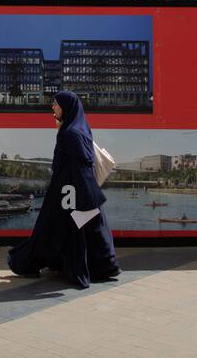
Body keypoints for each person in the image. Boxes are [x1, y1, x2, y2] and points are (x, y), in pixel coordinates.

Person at [7, 90, 121, 289]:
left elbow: (77, 166)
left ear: (66, 108)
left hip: (69, 192)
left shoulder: (70, 133)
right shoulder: (80, 129)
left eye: (56, 104)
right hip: (80, 192)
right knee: (89, 232)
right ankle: (103, 267)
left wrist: (77, 198)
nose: (53, 107)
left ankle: (26, 263)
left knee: (50, 230)